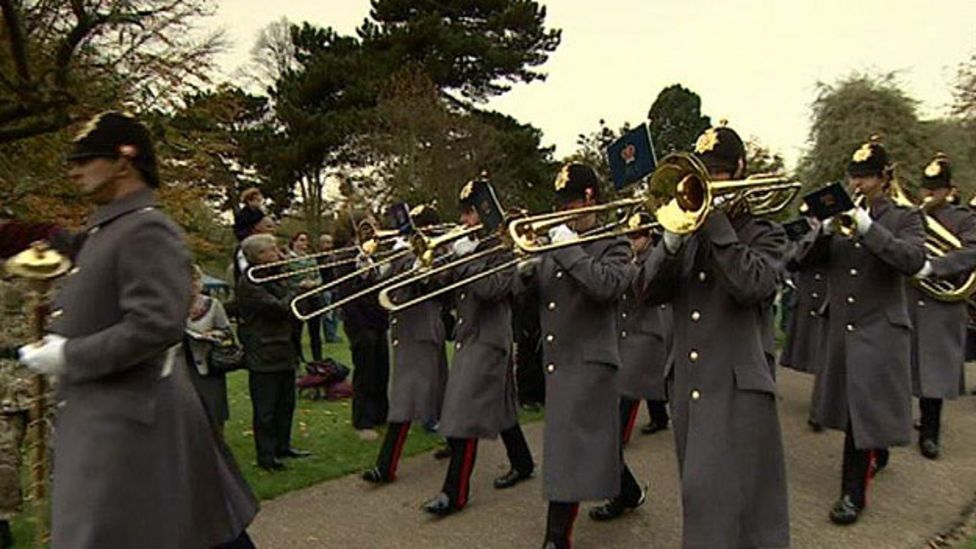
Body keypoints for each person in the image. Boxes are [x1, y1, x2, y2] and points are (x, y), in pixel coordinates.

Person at [16, 111, 257, 548]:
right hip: (113, 421)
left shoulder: (146, 227)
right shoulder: (112, 227)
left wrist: (69, 355)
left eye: (87, 158)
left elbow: (156, 325)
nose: (74, 169)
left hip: (136, 427)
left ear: (124, 160)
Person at [641, 125, 790, 547]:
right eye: (703, 173)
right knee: (703, 501)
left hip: (736, 389)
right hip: (690, 387)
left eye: (719, 173)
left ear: (741, 170)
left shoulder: (763, 231)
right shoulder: (687, 234)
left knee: (744, 509)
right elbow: (647, 291)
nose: (708, 183)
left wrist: (717, 224)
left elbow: (753, 285)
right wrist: (669, 242)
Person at [797, 137, 925, 525]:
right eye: (856, 176)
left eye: (868, 177)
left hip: (880, 329)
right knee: (857, 410)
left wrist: (868, 227)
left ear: (885, 179)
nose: (860, 184)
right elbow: (798, 260)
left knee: (859, 416)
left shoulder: (906, 217)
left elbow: (913, 259)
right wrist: (822, 230)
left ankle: (852, 495)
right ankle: (877, 448)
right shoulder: (837, 213)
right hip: (845, 329)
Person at [517, 164, 635, 548]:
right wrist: (525, 273)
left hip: (590, 361)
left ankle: (555, 539)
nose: (563, 212)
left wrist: (566, 246)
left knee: (566, 450)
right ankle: (626, 491)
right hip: (558, 359)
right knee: (590, 441)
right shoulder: (556, 244)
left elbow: (606, 286)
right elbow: (532, 306)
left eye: (570, 203)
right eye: (560, 204)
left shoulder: (613, 242)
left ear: (589, 199)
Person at [421, 180, 535, 517]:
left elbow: (491, 288)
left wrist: (466, 258)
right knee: (501, 409)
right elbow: (445, 284)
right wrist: (435, 261)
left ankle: (454, 493)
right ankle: (523, 462)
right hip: (470, 335)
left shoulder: (500, 246)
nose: (464, 220)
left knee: (463, 415)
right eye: (464, 213)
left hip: (489, 338)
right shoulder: (469, 245)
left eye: (470, 213)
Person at [588, 212, 670, 522]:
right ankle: (628, 491)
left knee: (611, 428)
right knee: (606, 430)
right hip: (623, 341)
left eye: (636, 235)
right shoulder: (623, 258)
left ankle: (621, 493)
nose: (631, 240)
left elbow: (644, 286)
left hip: (645, 341)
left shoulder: (656, 257)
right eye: (629, 235)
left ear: (649, 236)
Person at [362, 205, 449, 484]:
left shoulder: (439, 250)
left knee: (404, 400)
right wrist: (372, 265)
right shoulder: (402, 249)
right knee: (439, 393)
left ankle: (385, 466)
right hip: (404, 328)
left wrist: (419, 261)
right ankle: (456, 440)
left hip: (421, 327)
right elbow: (386, 283)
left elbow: (437, 283)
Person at [908, 152, 976, 459]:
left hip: (943, 303)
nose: (929, 194)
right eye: (926, 188)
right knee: (904, 365)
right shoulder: (912, 216)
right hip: (911, 299)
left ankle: (930, 433)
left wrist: (934, 267)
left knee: (933, 371)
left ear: (949, 190)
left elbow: (972, 254)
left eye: (936, 189)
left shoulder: (964, 219)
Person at [237, 233, 311, 471]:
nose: (279, 254)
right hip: (264, 351)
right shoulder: (249, 282)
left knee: (286, 403)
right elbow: (278, 308)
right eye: (273, 250)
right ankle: (266, 456)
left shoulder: (276, 275)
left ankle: (283, 446)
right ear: (259, 256)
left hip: (284, 347)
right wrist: (298, 290)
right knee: (266, 408)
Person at [333, 216, 390, 439]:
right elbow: (348, 291)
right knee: (365, 371)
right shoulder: (346, 255)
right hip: (359, 320)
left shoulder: (375, 251)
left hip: (378, 318)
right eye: (370, 225)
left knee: (381, 369)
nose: (375, 229)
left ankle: (380, 415)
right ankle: (362, 420)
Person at [185, 265, 234, 438]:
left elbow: (226, 330)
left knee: (213, 412)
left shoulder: (213, 304)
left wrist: (213, 334)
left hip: (208, 363)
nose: (193, 285)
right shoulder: (169, 305)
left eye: (196, 280)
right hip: (180, 365)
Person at [287, 231, 324, 362]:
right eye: (301, 240)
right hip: (298, 298)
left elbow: (319, 276)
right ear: (294, 242)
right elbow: (286, 280)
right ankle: (297, 358)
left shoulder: (311, 259)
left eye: (306, 240)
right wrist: (299, 284)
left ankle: (318, 359)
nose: (304, 243)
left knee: (315, 332)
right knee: (296, 331)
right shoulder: (288, 260)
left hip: (313, 296)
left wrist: (314, 283)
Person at [317, 233, 341, 343]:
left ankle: (334, 334)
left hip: (335, 287)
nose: (329, 245)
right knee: (328, 314)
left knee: (336, 313)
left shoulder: (334, 256)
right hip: (325, 288)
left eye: (330, 242)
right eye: (326, 243)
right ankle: (329, 335)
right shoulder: (318, 257)